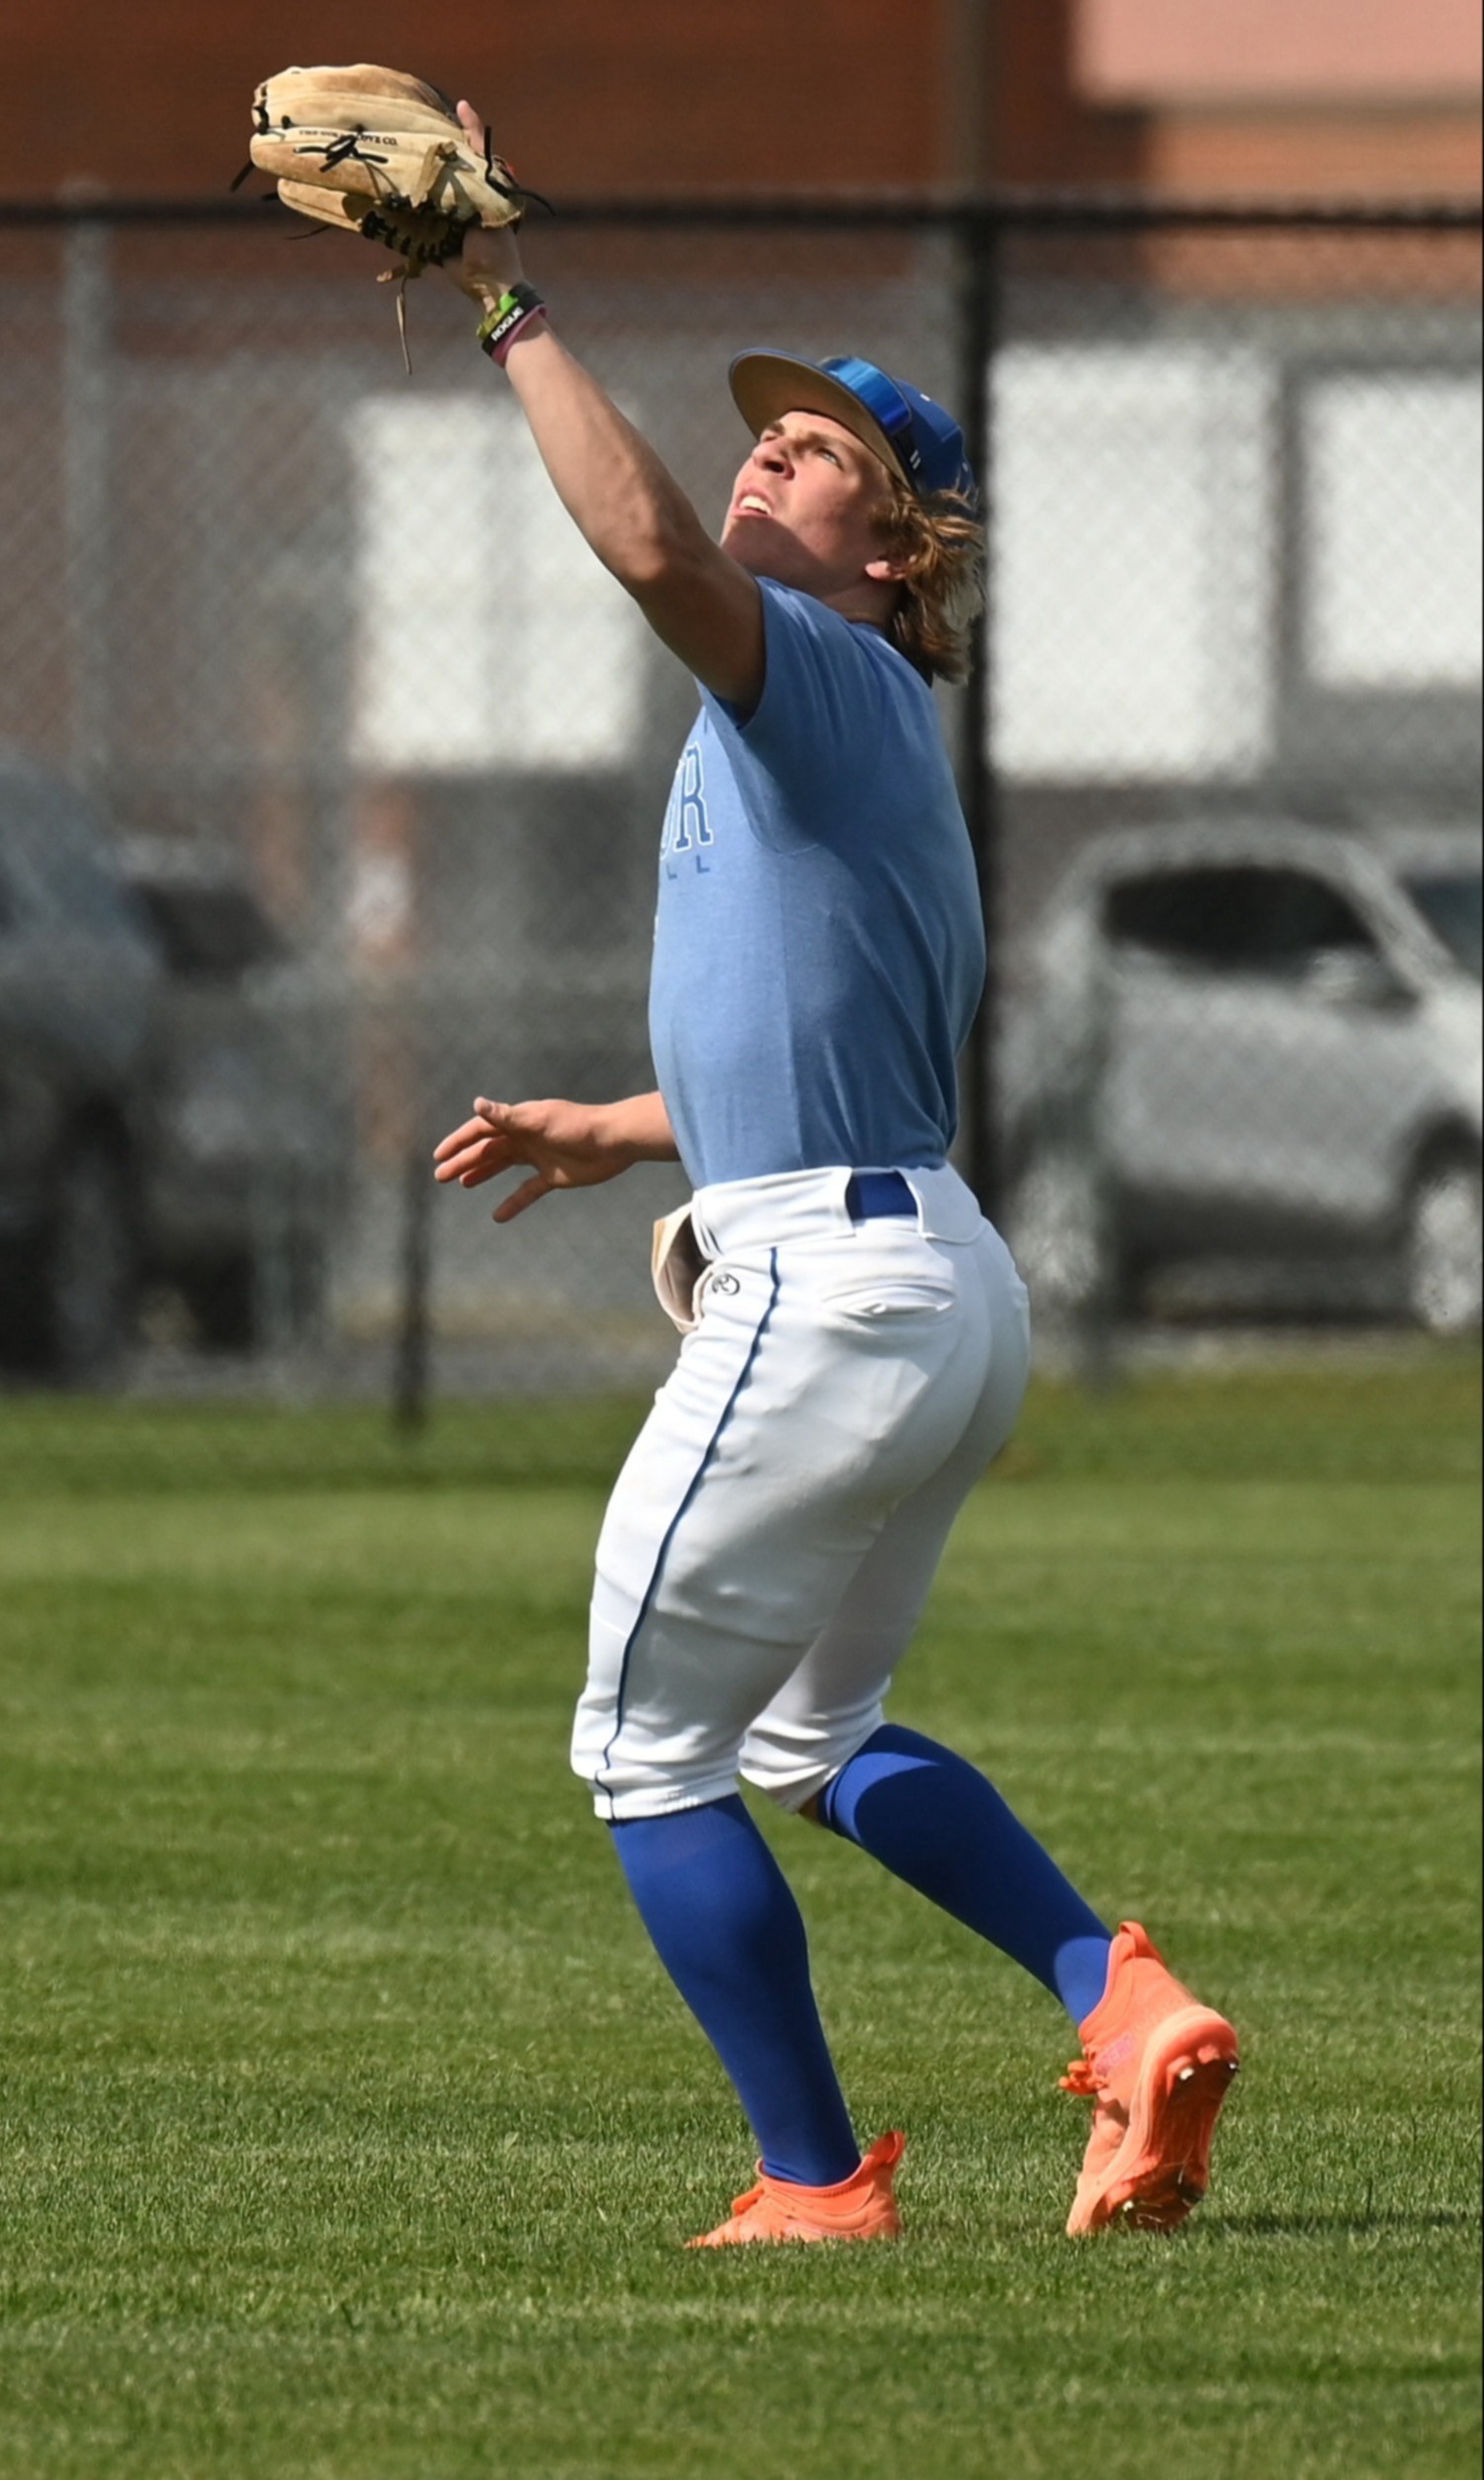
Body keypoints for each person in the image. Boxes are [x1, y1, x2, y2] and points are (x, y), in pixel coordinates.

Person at [432, 101, 1240, 2248]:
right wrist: (610, 1127)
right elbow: (812, 1046)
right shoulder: (839, 726)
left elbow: (636, 547)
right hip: (923, 1272)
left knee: (640, 1749)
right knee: (807, 1730)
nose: (764, 457)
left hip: (832, 1292)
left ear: (897, 554)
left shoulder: (813, 674)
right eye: (767, 437)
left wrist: (506, 302)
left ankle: (810, 2180)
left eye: (821, 457)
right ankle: (1118, 1992)